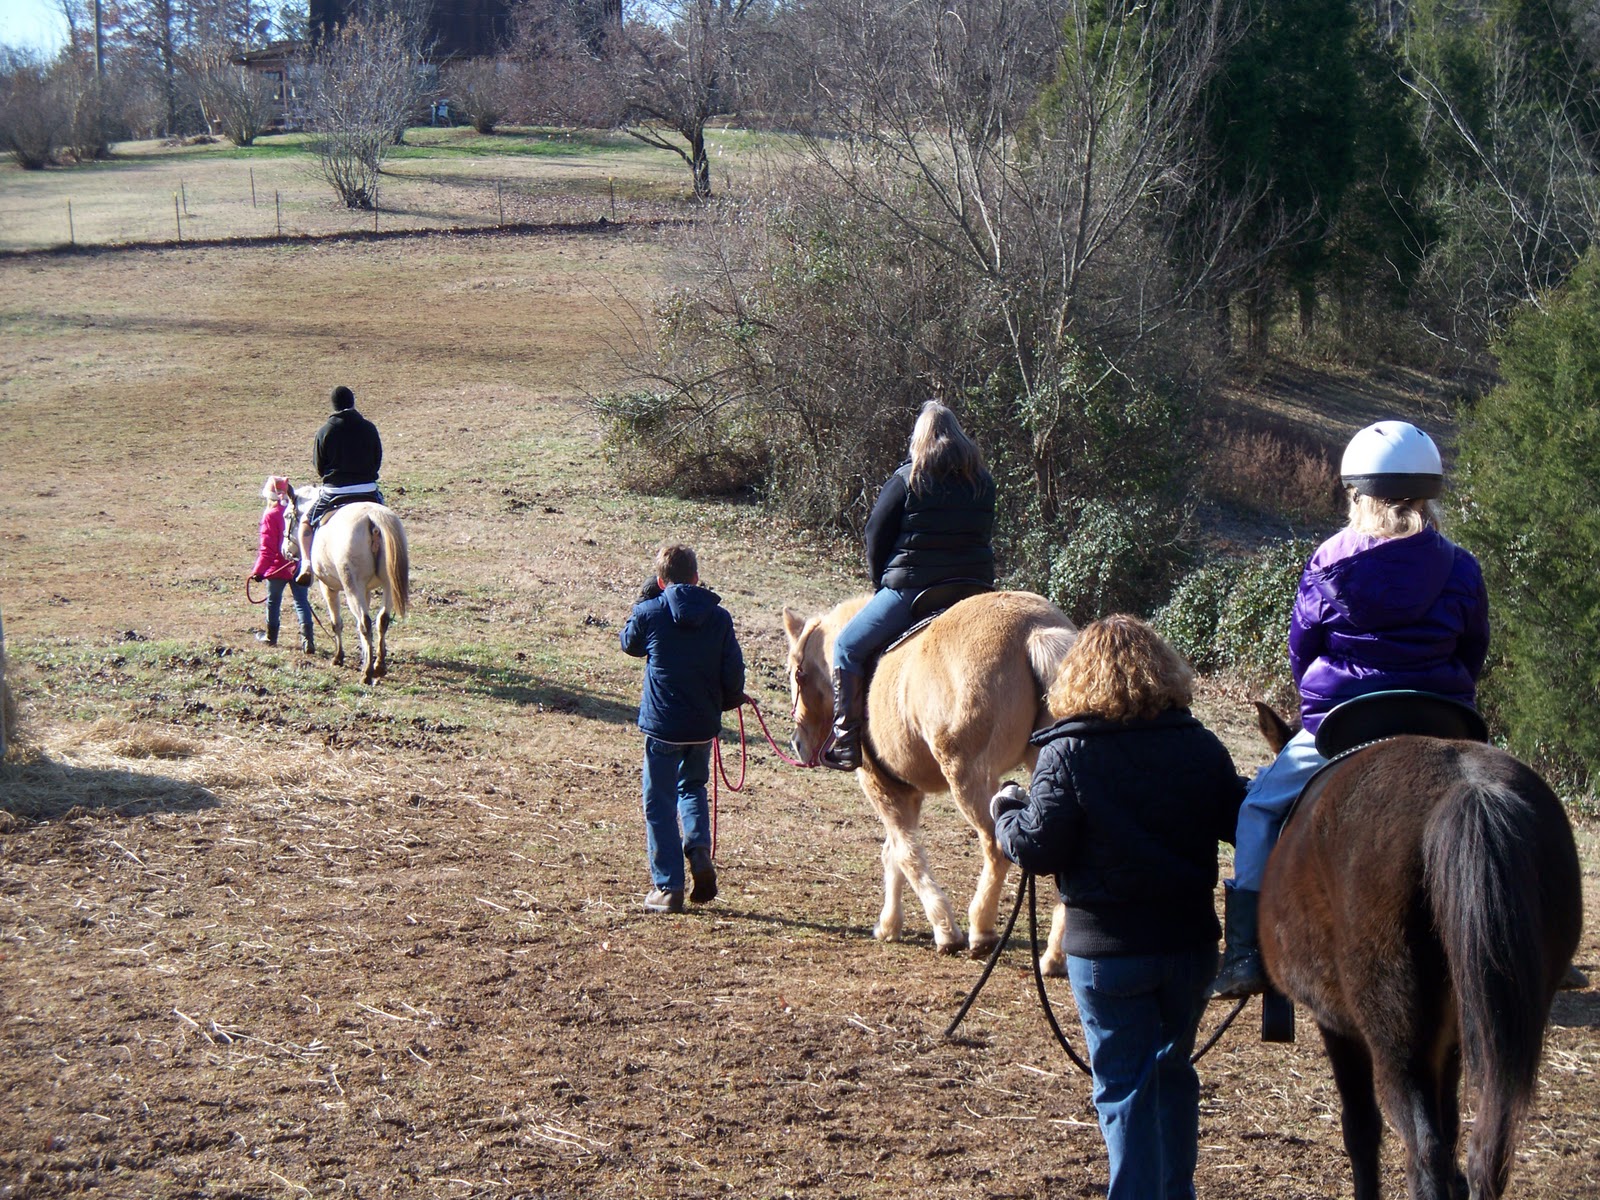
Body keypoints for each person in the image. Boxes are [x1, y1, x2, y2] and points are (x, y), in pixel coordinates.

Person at [1210, 419, 1491, 998]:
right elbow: (1473, 649)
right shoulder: (1461, 565)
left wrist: (1317, 703)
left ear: (1357, 495)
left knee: (1260, 810)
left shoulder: (1327, 561)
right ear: (1427, 495)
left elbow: (1302, 648)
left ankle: (1245, 956)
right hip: (1441, 718)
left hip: (1344, 722)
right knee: (1499, 805)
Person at [991, 615, 1245, 1200]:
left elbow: (1037, 847)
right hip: (1188, 948)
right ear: (1163, 669)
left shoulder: (1068, 751)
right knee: (1174, 1077)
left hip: (1108, 955)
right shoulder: (1199, 744)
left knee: (1125, 1088)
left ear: (1079, 675)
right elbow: (1240, 818)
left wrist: (1007, 809)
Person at [821, 399, 995, 770]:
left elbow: (874, 534)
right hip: (974, 590)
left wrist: (880, 580)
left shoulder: (907, 479)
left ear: (920, 437)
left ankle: (846, 744)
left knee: (847, 648)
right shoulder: (984, 482)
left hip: (915, 590)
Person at [621, 543, 746, 914]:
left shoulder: (649, 612)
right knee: (692, 788)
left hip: (663, 726)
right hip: (702, 725)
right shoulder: (719, 618)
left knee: (659, 803)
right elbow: (733, 673)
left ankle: (668, 887)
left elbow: (629, 643)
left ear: (661, 581)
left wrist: (643, 600)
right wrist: (725, 702)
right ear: (696, 577)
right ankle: (699, 851)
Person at [295, 385, 383, 585]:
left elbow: (319, 465)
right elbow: (377, 459)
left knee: (306, 522)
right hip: (367, 490)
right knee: (388, 520)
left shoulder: (325, 431)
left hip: (335, 492)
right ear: (353, 402)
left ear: (333, 406)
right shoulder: (369, 428)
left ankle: (306, 564)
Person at [251, 476, 316, 653]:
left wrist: (258, 572)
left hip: (276, 568)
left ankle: (271, 637)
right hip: (297, 565)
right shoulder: (296, 511)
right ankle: (308, 641)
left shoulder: (270, 515)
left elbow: (267, 549)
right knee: (301, 601)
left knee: (273, 602)